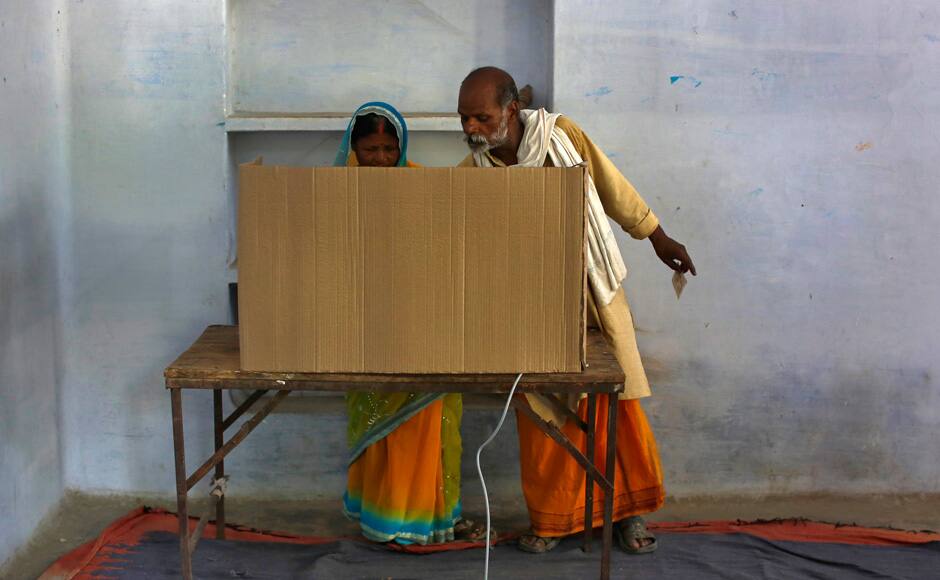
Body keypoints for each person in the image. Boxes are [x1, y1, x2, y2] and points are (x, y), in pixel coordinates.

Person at [456, 68, 697, 554]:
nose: (471, 129)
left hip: (592, 295)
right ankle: (551, 521)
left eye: (481, 117)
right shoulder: (471, 177)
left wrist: (657, 237)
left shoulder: (562, 137)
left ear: (509, 110)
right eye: (463, 118)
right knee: (543, 418)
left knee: (614, 406)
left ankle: (625, 515)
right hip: (527, 313)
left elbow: (612, 188)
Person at [338, 102, 488, 545]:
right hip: (367, 329)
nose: (381, 159)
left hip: (422, 324)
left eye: (389, 149)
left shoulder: (422, 185)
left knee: (434, 425)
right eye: (370, 150)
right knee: (382, 431)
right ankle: (385, 518)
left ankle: (434, 518)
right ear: (354, 149)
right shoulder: (333, 192)